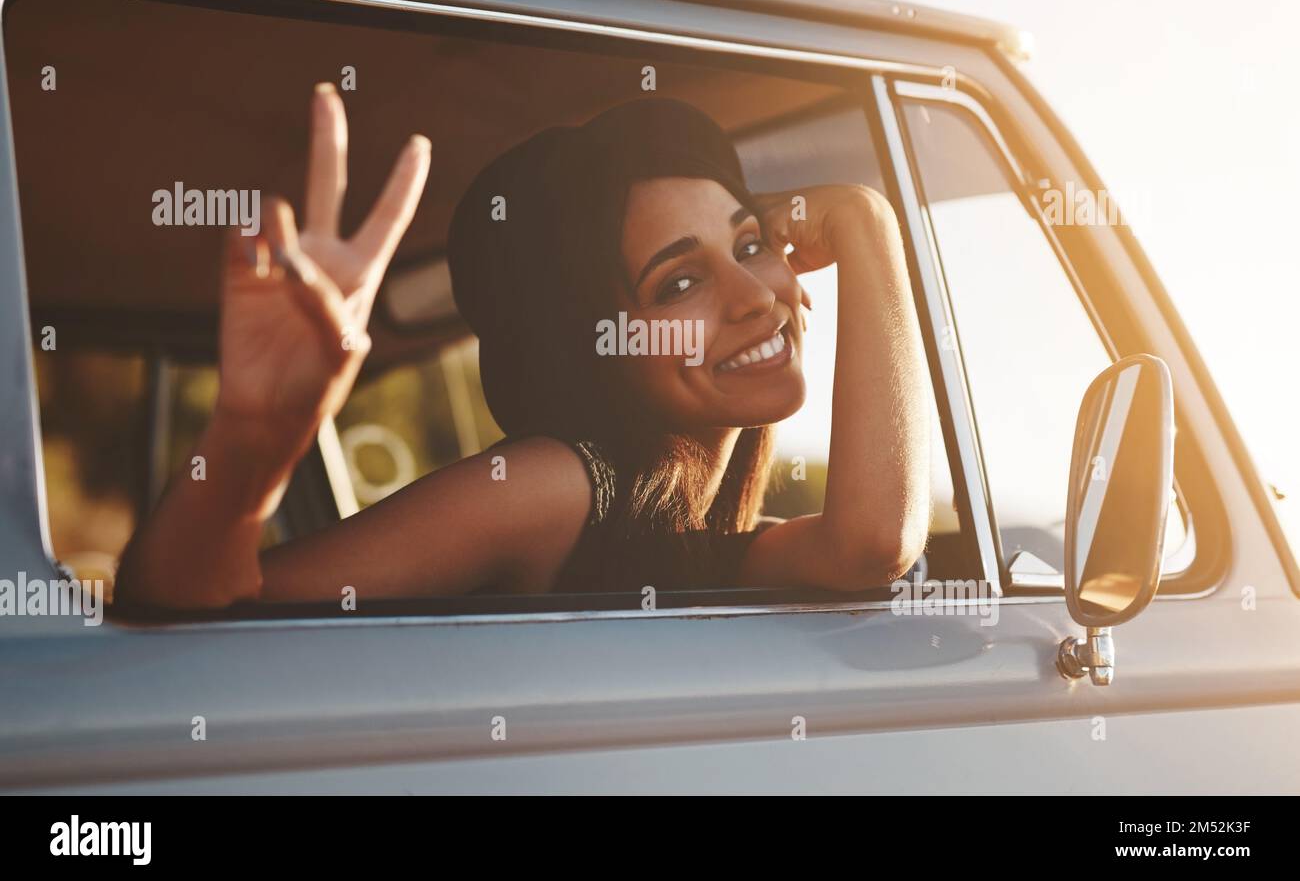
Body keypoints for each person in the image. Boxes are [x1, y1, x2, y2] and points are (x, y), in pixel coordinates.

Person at [115, 83, 931, 609]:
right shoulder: (559, 483)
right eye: (677, 284)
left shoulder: (700, 532)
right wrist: (251, 438)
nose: (757, 294)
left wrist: (863, 222)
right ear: (594, 347)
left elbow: (860, 542)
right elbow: (196, 607)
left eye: (749, 243)